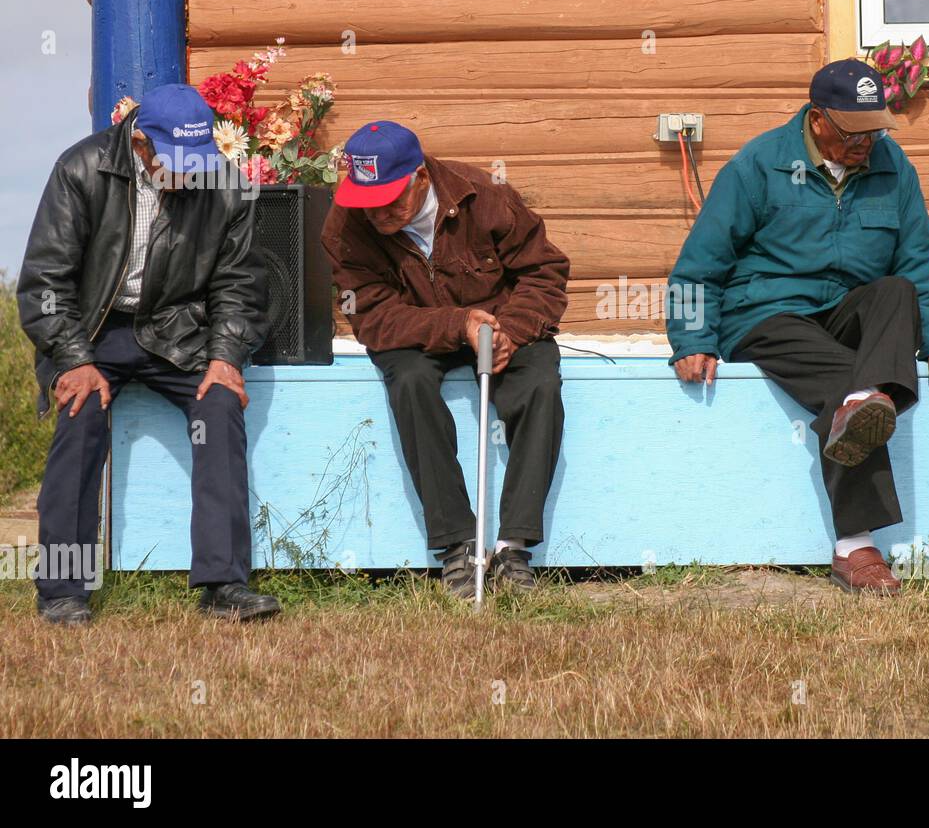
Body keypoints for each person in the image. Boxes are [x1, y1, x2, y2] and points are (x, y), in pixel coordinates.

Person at [667, 60, 929, 594]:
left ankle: (863, 402)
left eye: (875, 128)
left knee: (895, 293)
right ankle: (857, 544)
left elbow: (919, 262)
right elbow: (700, 263)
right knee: (855, 388)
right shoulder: (758, 164)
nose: (867, 142)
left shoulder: (893, 165)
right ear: (818, 119)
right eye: (854, 130)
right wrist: (693, 338)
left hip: (846, 313)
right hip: (767, 313)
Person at [18, 82, 277, 624]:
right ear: (140, 144)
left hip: (177, 332)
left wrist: (227, 356)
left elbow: (239, 286)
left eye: (198, 161)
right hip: (92, 332)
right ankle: (64, 591)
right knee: (80, 414)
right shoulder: (79, 170)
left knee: (220, 407)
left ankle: (223, 584)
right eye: (177, 162)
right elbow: (45, 284)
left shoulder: (225, 184)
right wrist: (74, 359)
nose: (191, 174)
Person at [321, 121, 570, 598]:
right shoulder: (345, 224)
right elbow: (372, 316)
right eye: (366, 201)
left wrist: (511, 333)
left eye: (390, 199)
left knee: (540, 383)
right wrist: (455, 325)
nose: (375, 212)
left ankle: (514, 547)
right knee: (410, 382)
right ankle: (458, 546)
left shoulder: (484, 195)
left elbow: (544, 272)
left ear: (420, 177)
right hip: (415, 332)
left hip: (502, 324)